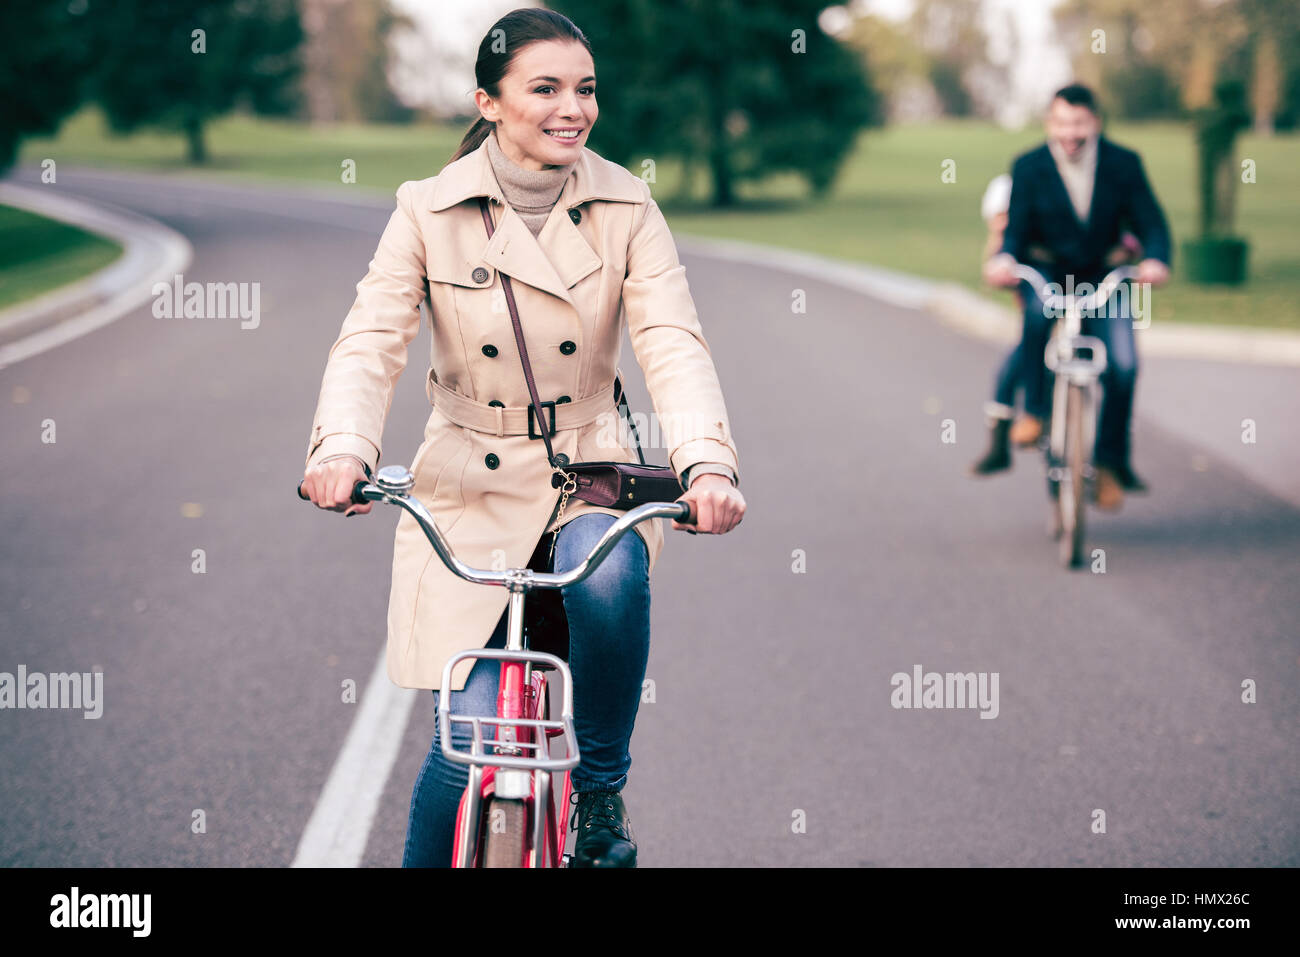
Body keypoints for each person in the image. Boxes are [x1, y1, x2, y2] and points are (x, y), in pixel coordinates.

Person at [299, 8, 745, 867]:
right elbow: (371, 338)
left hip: (593, 463)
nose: (572, 107)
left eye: (584, 89)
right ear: (489, 101)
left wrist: (707, 464)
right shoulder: (427, 210)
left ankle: (601, 792)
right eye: (544, 88)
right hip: (468, 475)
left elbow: (672, 341)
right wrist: (341, 448)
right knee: (460, 751)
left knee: (611, 578)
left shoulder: (625, 203)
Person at [984, 83, 1170, 509]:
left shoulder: (1124, 164)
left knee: (1123, 364)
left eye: (1080, 123)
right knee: (1035, 317)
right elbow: (1014, 232)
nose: (1071, 132)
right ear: (1050, 123)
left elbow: (1152, 223)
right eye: (1062, 122)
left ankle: (1107, 463)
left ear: (1096, 123)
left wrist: (1156, 260)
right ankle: (1032, 410)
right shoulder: (1028, 166)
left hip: (1103, 276)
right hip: (1048, 271)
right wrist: (1004, 260)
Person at [969, 173, 1146, 476]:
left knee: (1112, 361)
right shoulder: (1016, 225)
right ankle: (1005, 436)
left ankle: (1113, 458)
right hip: (1051, 288)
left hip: (1090, 285)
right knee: (1023, 353)